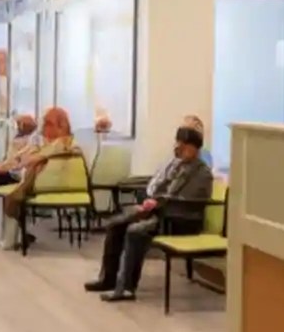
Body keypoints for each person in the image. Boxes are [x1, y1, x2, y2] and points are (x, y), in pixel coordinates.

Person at [85, 126, 213, 301]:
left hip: (180, 220)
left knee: (135, 232)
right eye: (177, 143)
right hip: (161, 212)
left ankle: (126, 288)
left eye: (182, 144)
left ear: (193, 148)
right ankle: (107, 279)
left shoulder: (202, 173)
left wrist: (158, 204)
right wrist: (152, 200)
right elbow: (159, 187)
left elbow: (189, 203)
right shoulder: (174, 165)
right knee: (116, 225)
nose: (178, 147)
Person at [0, 107, 80, 250]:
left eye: (47, 124)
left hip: (49, 183)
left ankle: (9, 241)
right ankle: (17, 235)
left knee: (13, 196)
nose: (43, 128)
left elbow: (35, 158)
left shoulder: (59, 144)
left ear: (59, 126)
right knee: (16, 192)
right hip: (57, 182)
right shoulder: (69, 142)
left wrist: (22, 161)